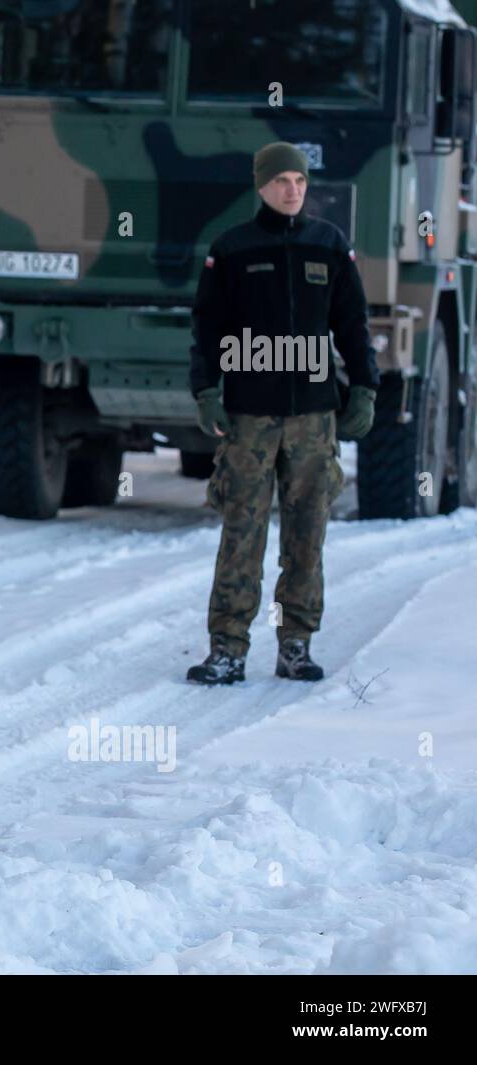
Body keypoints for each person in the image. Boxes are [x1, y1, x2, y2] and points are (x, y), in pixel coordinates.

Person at [187, 141, 378, 686]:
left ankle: (296, 643)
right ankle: (227, 647)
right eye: (281, 181)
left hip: (314, 417)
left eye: (299, 180)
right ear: (261, 185)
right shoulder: (232, 250)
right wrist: (206, 391)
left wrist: (363, 388)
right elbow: (207, 327)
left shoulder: (329, 245)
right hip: (250, 416)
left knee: (307, 532)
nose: (292, 190)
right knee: (241, 532)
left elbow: (353, 324)